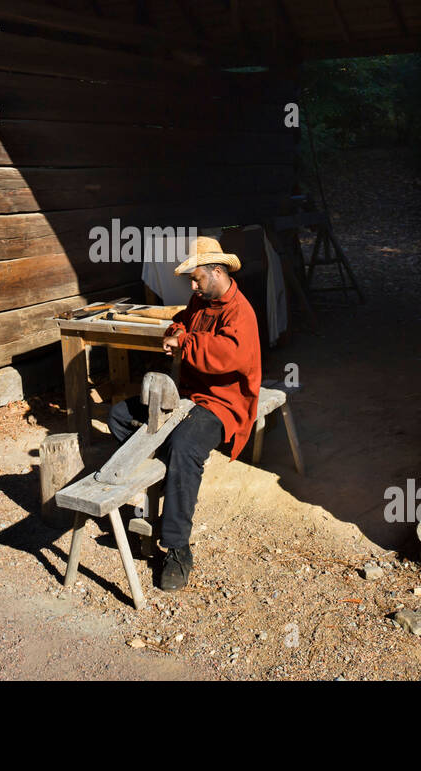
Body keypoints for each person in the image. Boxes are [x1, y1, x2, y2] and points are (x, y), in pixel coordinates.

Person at [107, 236, 262, 590]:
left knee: (184, 446)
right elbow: (182, 319)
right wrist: (177, 329)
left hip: (223, 404)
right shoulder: (200, 299)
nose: (191, 285)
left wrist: (185, 342)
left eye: (196, 278)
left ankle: (177, 547)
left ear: (217, 271)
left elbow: (229, 356)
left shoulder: (241, 312)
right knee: (119, 416)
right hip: (188, 396)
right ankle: (172, 477)